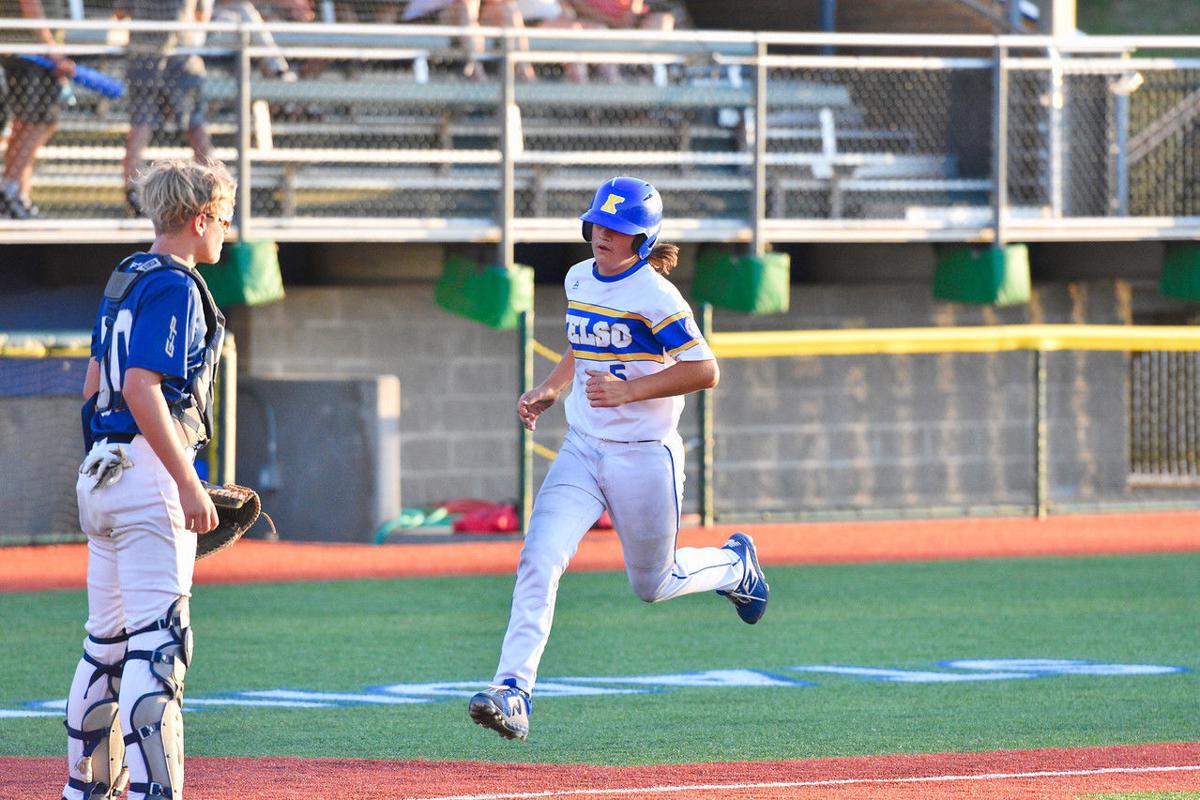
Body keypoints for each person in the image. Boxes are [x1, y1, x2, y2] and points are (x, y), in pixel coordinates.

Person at [468, 176, 769, 741]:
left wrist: (630, 392)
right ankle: (513, 690)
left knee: (653, 583)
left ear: (643, 239)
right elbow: (585, 344)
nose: (603, 234)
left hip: (644, 456)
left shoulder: (658, 297)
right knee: (539, 556)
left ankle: (736, 567)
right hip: (583, 448)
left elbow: (706, 369)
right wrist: (554, 389)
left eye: (619, 228)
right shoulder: (579, 276)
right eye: (598, 224)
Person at [61, 157, 235, 800]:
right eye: (222, 219)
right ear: (196, 219)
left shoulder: (125, 276)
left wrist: (104, 467)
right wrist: (185, 480)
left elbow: (91, 387)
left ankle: (85, 789)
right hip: (149, 472)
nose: (226, 232)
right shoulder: (174, 284)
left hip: (100, 470)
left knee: (104, 644)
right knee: (158, 649)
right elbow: (141, 386)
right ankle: (155, 793)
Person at [118, 0, 214, 216]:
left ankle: (132, 192)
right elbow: (201, 14)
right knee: (194, 127)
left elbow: (121, 12)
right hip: (178, 57)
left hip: (146, 58)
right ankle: (214, 187)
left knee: (143, 126)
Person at [0, 0, 76, 219]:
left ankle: (19, 195)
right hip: (32, 55)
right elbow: (30, 4)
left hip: (31, 52)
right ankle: (9, 190)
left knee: (26, 125)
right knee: (39, 123)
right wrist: (52, 51)